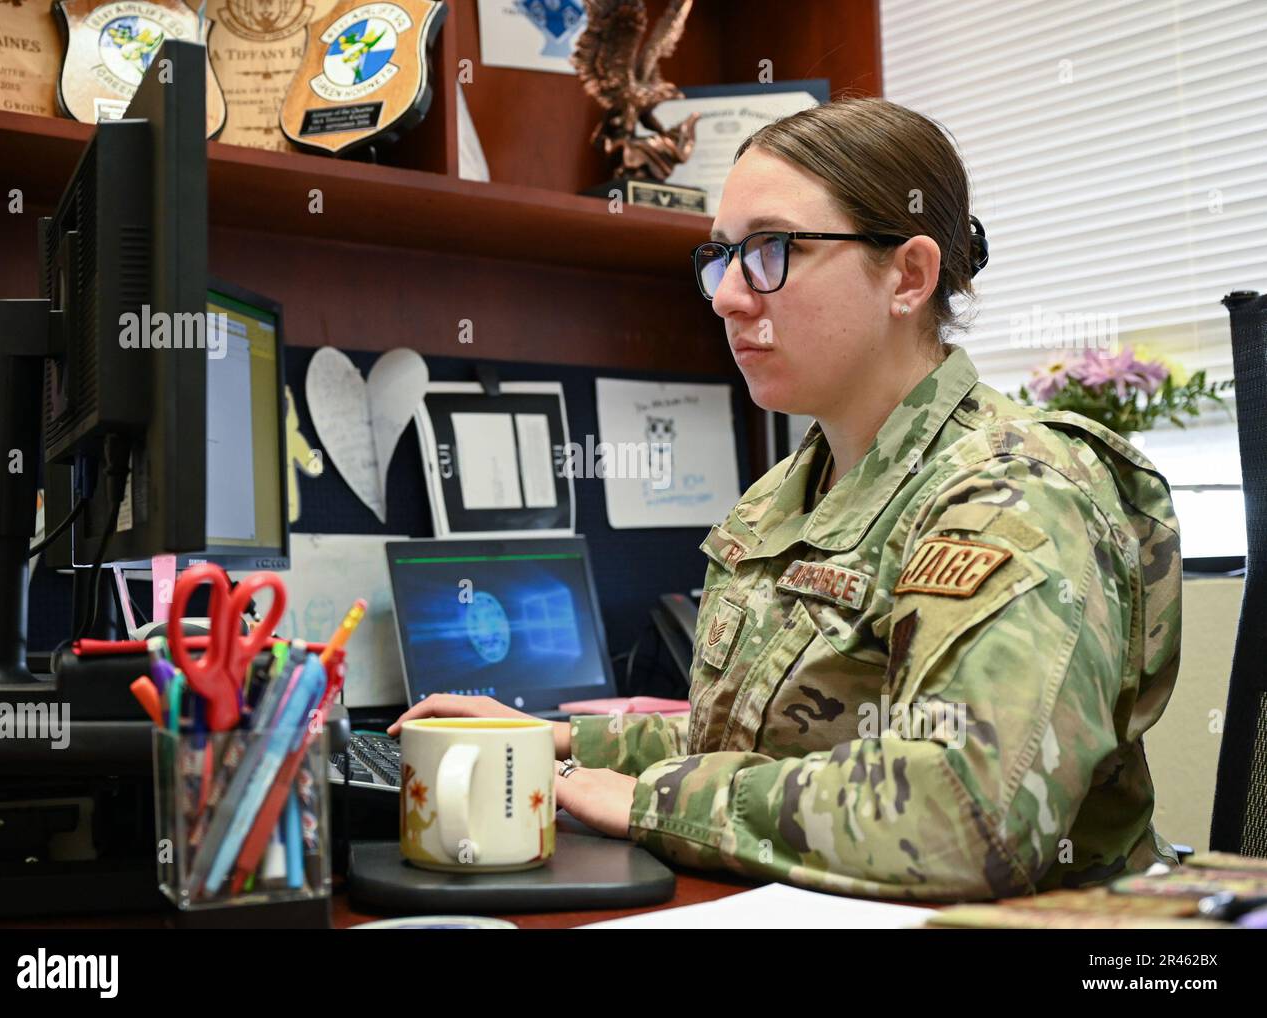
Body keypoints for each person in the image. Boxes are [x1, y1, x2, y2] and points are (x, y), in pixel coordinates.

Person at [390, 97, 1182, 901]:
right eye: (722, 257)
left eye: (769, 250)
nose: (728, 295)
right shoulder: (789, 494)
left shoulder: (1017, 490)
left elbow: (963, 813)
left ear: (907, 275)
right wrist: (557, 740)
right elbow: (763, 737)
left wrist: (657, 802)